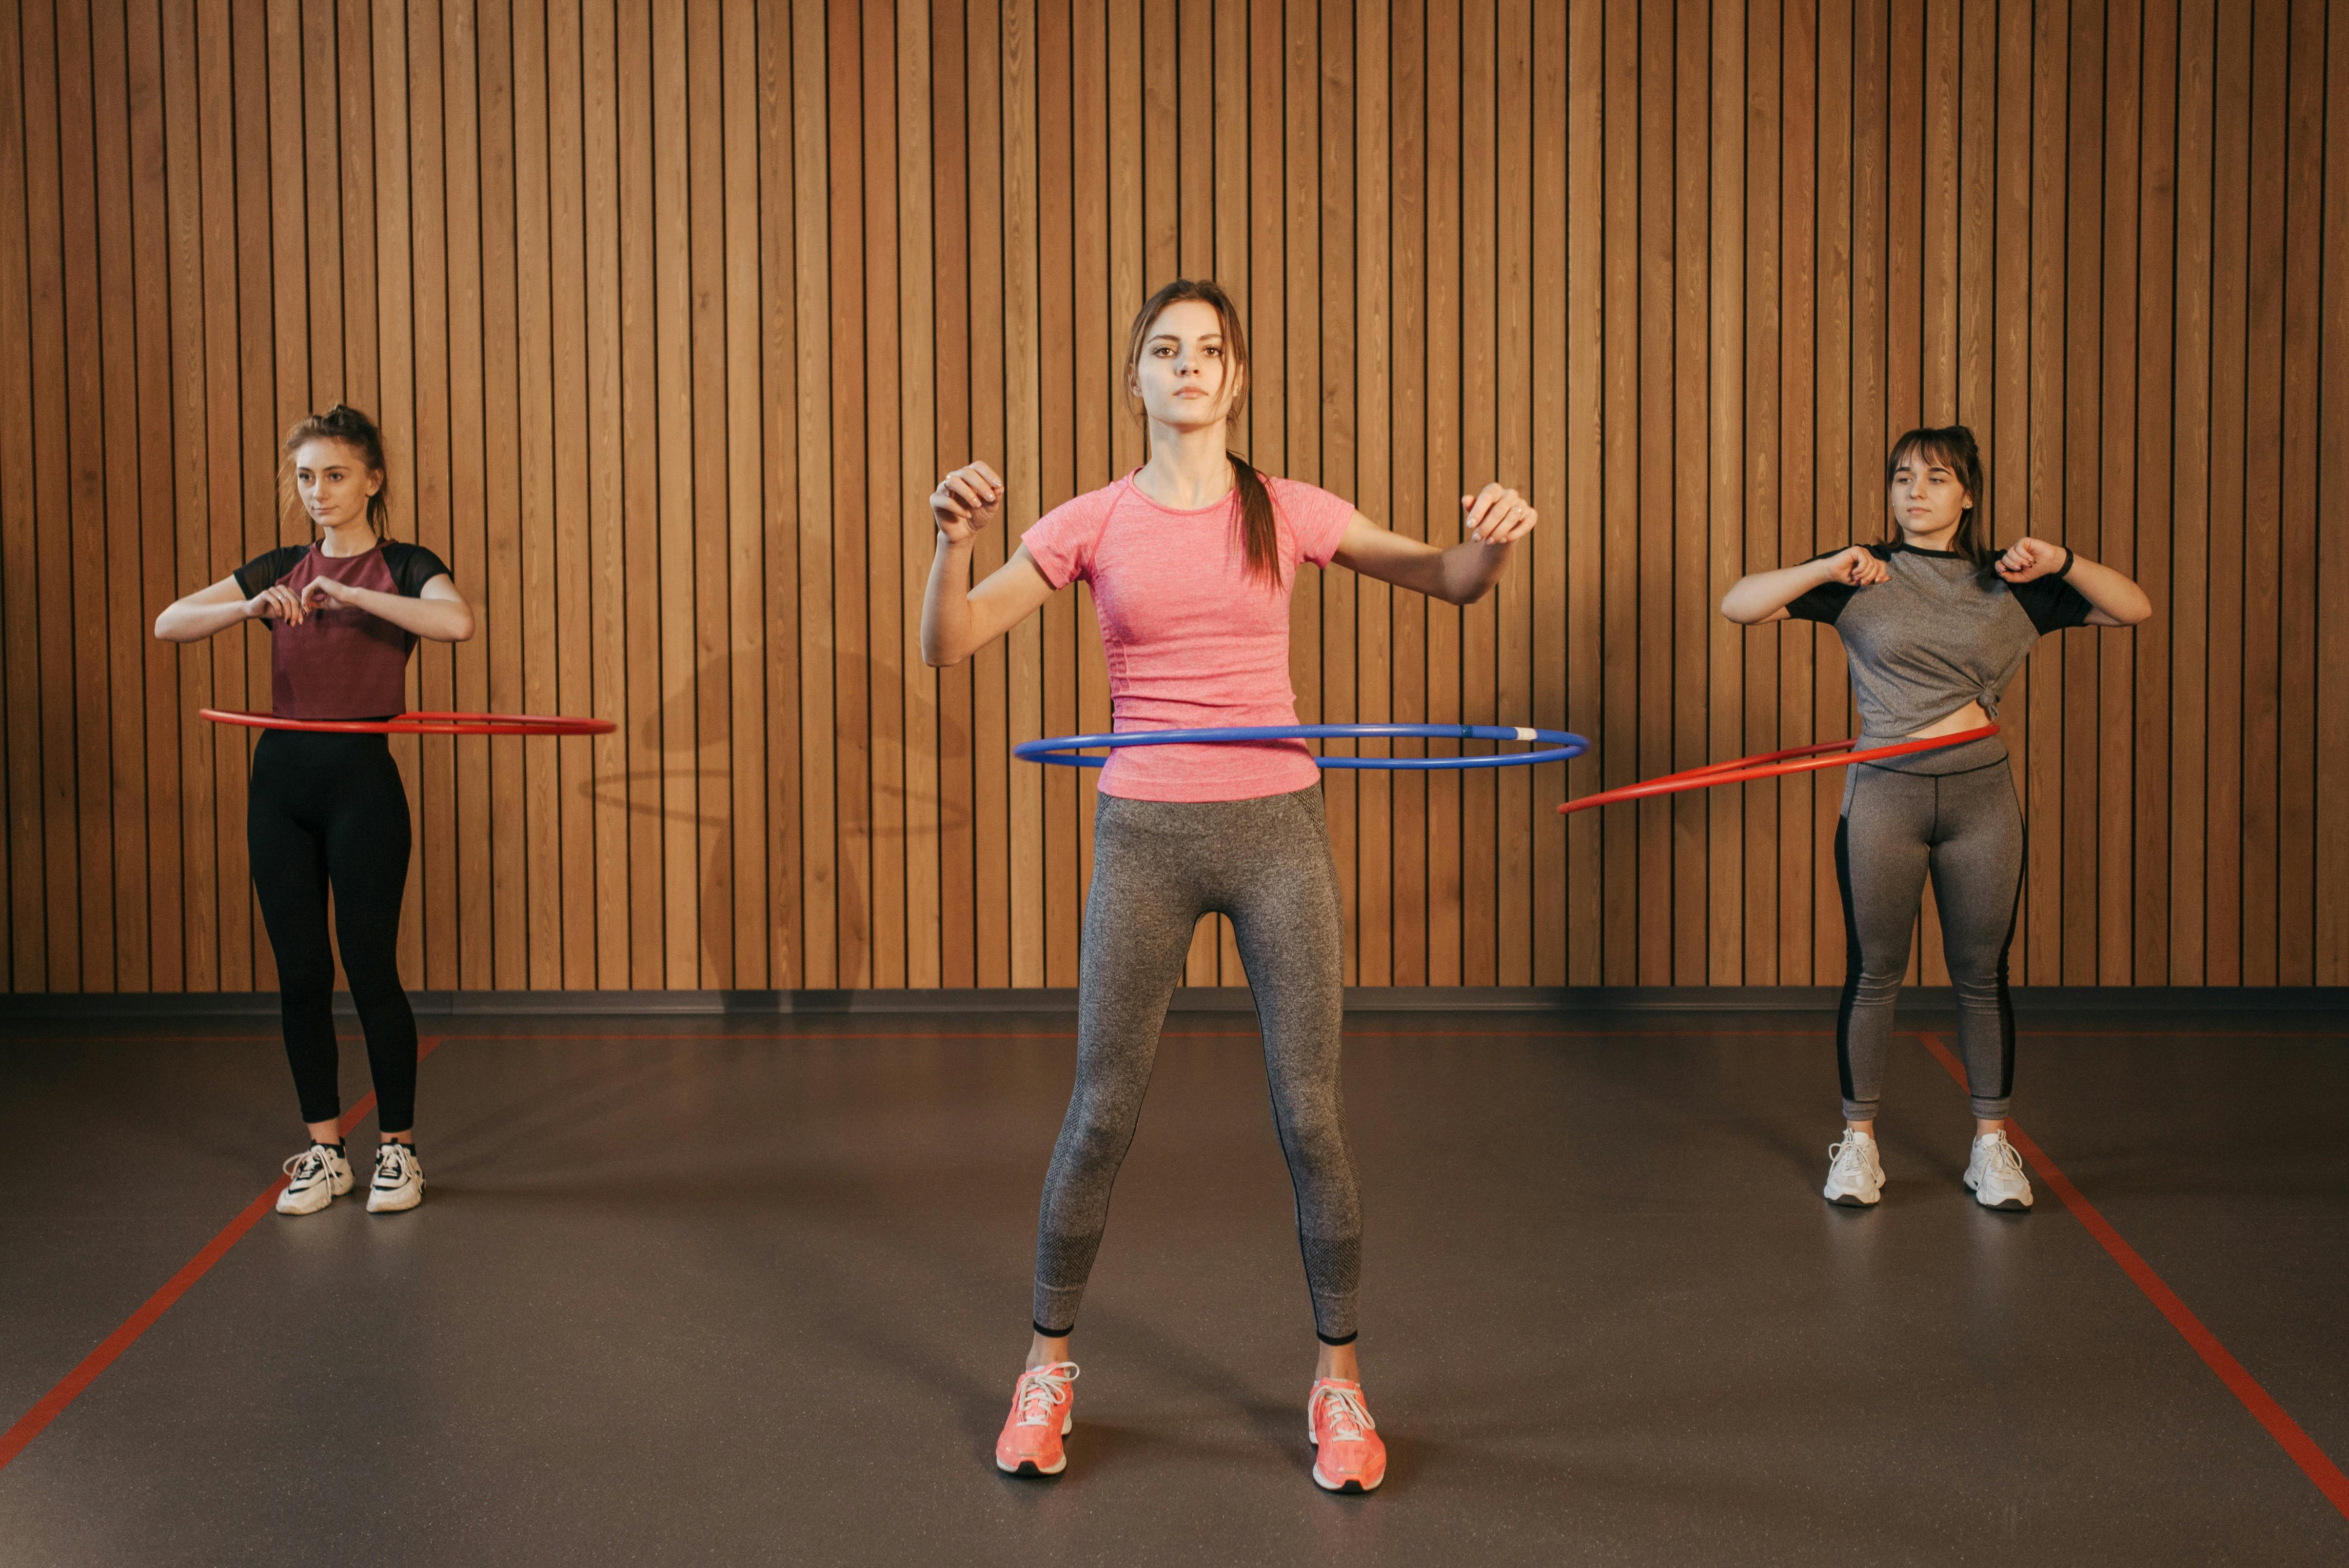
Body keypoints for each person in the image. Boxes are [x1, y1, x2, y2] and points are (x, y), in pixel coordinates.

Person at [922, 278, 1536, 1493]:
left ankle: (1341, 1383)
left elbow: (1448, 580)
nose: (1188, 366)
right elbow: (949, 643)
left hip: (1276, 829)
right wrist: (950, 545)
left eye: (1209, 350)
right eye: (1165, 349)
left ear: (1236, 378)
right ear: (1136, 378)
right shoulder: (1092, 519)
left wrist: (1494, 539)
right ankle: (1044, 1370)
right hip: (1143, 830)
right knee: (1101, 1110)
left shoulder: (1289, 508)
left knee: (1310, 1114)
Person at [1720, 424, 2150, 1211]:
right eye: (1903, 476)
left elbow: (2135, 608)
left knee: (1981, 977)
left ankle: (1992, 1148)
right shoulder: (1863, 574)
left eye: (1938, 477)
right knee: (1875, 971)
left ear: (1969, 494)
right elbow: (1737, 605)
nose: (1916, 490)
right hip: (1884, 796)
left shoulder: (2011, 582)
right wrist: (1827, 563)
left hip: (1983, 803)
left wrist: (2063, 562)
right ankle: (1859, 1145)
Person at [154, 404, 474, 1217]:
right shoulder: (278, 567)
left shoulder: (406, 563)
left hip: (362, 789)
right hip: (282, 789)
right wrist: (249, 607)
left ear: (373, 479)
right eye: (305, 477)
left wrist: (349, 594)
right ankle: (327, 1152)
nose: (319, 493)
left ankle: (398, 1151)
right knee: (300, 974)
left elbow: (456, 620)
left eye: (335, 475)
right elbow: (169, 623)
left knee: (369, 969)